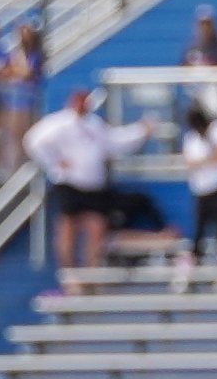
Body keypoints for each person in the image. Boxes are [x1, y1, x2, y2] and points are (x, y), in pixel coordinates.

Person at [25, 88, 153, 284]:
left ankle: (90, 273)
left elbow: (115, 141)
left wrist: (140, 131)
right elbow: (34, 141)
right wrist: (54, 162)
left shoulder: (94, 125)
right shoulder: (58, 123)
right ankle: (69, 277)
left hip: (93, 185)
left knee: (96, 227)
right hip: (69, 183)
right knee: (67, 228)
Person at [181, 102, 217, 280]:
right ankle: (191, 272)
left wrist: (204, 161)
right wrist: (209, 160)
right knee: (199, 229)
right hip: (202, 189)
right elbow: (190, 162)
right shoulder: (191, 137)